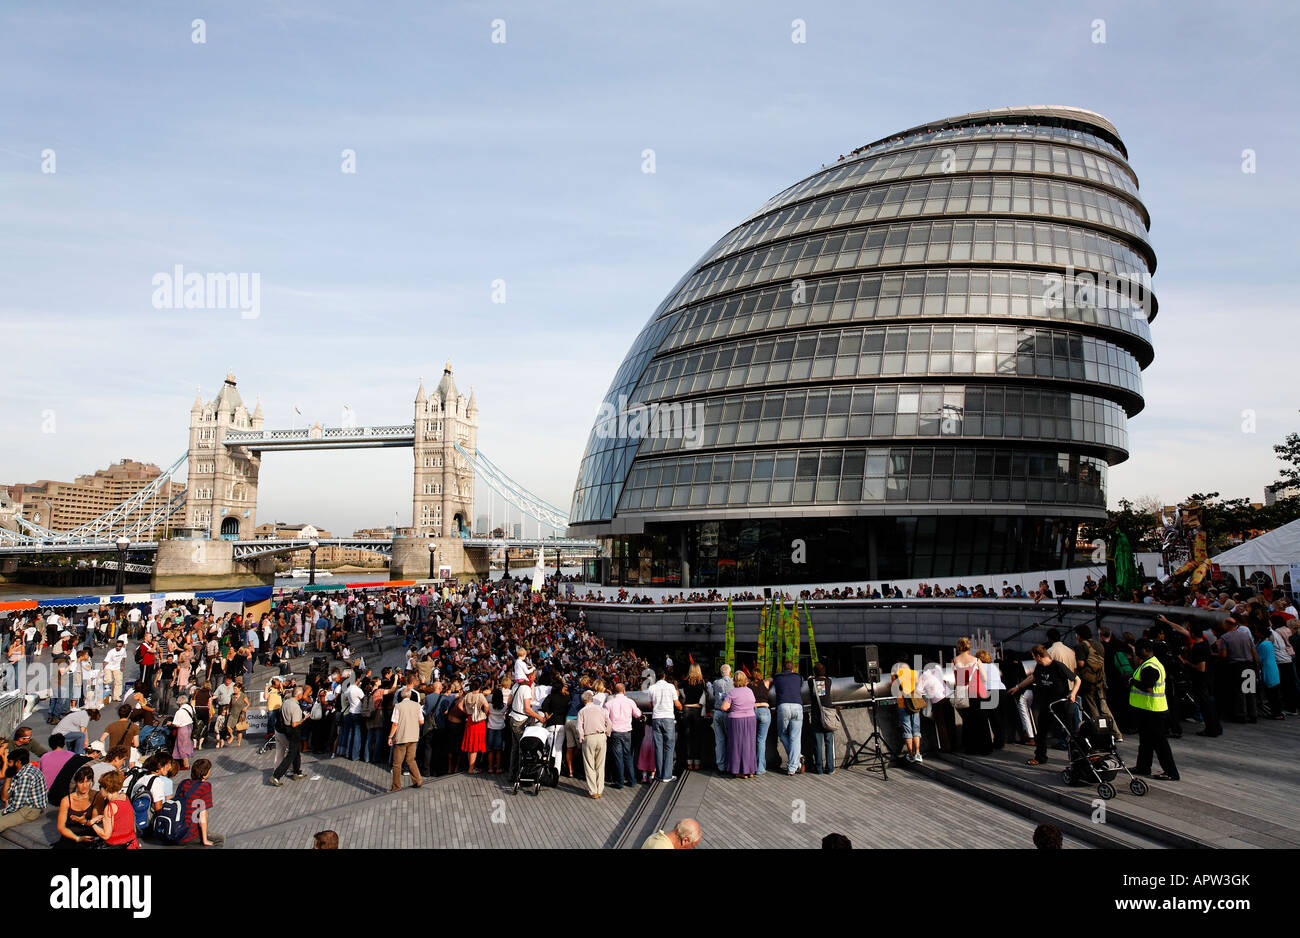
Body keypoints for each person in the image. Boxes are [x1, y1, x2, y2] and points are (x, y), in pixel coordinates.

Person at [1008, 645, 1079, 766]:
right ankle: (1040, 757)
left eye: (1034, 657)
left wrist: (1073, 694)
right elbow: (1032, 678)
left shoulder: (1058, 666)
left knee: (1068, 732)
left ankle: (1076, 758)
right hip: (1046, 705)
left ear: (1039, 657)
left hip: (1061, 704)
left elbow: (1077, 679)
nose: (1034, 659)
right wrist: (1018, 687)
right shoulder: (1040, 667)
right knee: (1041, 732)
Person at [174, 759, 223, 847]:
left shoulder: (183, 783)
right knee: (220, 839)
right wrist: (205, 840)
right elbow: (203, 814)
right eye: (209, 770)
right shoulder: (205, 787)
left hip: (176, 829)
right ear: (204, 774)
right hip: (189, 833)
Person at [603, 682, 642, 790]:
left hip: (615, 732)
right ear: (624, 691)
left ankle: (619, 782)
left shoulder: (609, 704)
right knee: (627, 756)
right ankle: (632, 780)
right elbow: (638, 714)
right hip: (627, 732)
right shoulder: (630, 702)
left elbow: (605, 718)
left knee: (618, 757)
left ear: (614, 691)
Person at [0, 748, 48, 834]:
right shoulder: (21, 770)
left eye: (10, 762)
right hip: (21, 806)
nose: (7, 764)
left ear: (18, 762)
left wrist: (4, 812)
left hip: (29, 810)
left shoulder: (26, 776)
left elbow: (17, 804)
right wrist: (8, 776)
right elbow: (5, 797)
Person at [54, 764, 100, 849]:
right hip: (70, 836)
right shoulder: (66, 800)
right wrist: (77, 838)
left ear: (92, 781)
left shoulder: (97, 797)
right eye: (81, 782)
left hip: (88, 837)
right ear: (76, 782)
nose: (85, 785)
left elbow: (95, 822)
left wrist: (83, 821)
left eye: (87, 781)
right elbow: (61, 827)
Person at [89, 769, 138, 849]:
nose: (99, 789)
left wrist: (92, 823)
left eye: (100, 786)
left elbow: (105, 835)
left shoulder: (110, 807)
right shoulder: (124, 797)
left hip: (116, 845)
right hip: (130, 843)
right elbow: (120, 819)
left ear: (106, 788)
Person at [648, 668, 681, 783]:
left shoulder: (651, 688)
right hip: (668, 718)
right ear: (664, 676)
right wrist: (681, 707)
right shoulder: (671, 687)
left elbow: (651, 704)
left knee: (658, 747)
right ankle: (667, 775)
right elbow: (677, 704)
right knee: (669, 746)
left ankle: (659, 773)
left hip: (656, 718)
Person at [722, 671, 757, 778]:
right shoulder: (750, 691)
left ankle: (739, 771)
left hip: (737, 720)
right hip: (751, 719)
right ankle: (750, 770)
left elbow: (724, 707)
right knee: (749, 744)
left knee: (737, 745)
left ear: (735, 681)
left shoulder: (732, 692)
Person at [577, 690, 612, 798]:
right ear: (592, 699)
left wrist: (581, 738)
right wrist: (607, 733)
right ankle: (600, 789)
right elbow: (609, 723)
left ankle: (593, 791)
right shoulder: (601, 709)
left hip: (589, 737)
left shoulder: (582, 711)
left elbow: (579, 728)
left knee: (589, 765)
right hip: (601, 736)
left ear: (583, 701)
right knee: (600, 765)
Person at [389, 687, 424, 791]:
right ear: (410, 695)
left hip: (401, 737)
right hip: (413, 736)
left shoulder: (398, 706)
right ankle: (418, 780)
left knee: (397, 763)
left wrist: (390, 736)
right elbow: (421, 721)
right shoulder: (417, 705)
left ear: (401, 695)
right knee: (411, 760)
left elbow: (395, 723)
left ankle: (396, 786)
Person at [269, 686, 305, 786]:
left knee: (295, 752)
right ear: (300, 695)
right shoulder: (296, 707)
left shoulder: (286, 702)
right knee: (291, 754)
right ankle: (276, 776)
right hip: (293, 732)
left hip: (284, 730)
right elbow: (294, 724)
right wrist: (303, 719)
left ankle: (296, 772)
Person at [772, 660, 804, 774]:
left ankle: (796, 760)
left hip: (783, 706)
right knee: (795, 737)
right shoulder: (798, 677)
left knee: (782, 734)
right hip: (797, 706)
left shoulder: (777, 677)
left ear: (783, 669)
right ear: (793, 669)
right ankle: (793, 766)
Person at [806, 663, 837, 772]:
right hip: (827, 714)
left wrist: (812, 677)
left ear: (814, 672)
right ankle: (830, 768)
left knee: (817, 743)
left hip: (816, 715)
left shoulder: (811, 682)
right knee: (829, 741)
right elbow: (825, 679)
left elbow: (811, 679)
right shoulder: (829, 681)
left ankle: (818, 768)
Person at [893, 661, 924, 763]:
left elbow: (895, 691)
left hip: (902, 704)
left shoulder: (895, 675)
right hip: (914, 704)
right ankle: (918, 754)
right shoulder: (914, 673)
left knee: (907, 730)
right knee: (916, 728)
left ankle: (910, 754)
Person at [680, 664, 707, 770]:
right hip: (697, 709)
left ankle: (689, 762)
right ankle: (697, 762)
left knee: (687, 736)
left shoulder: (685, 682)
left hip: (686, 709)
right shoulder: (702, 682)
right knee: (697, 736)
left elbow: (681, 693)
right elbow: (705, 696)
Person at [708, 664, 733, 774]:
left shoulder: (716, 682)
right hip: (729, 713)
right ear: (730, 673)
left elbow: (713, 695)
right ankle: (730, 763)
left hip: (718, 712)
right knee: (731, 739)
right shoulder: (733, 682)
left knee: (720, 740)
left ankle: (721, 765)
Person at [460, 679, 489, 774]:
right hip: (478, 722)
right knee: (474, 747)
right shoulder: (480, 696)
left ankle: (471, 766)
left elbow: (460, 706)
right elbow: (486, 705)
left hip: (470, 720)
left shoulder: (468, 695)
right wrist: (485, 713)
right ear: (480, 686)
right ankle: (471, 768)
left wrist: (467, 713)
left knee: (470, 745)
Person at [750, 668, 773, 774]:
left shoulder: (748, 685)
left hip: (752, 711)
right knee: (761, 740)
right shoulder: (765, 683)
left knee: (752, 740)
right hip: (764, 710)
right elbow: (772, 678)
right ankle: (760, 768)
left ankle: (751, 766)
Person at [170, 694, 197, 769]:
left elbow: (176, 724)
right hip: (190, 727)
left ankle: (186, 764)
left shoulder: (179, 712)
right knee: (187, 745)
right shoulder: (190, 707)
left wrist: (170, 723)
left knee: (181, 746)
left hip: (183, 729)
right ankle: (185, 762)